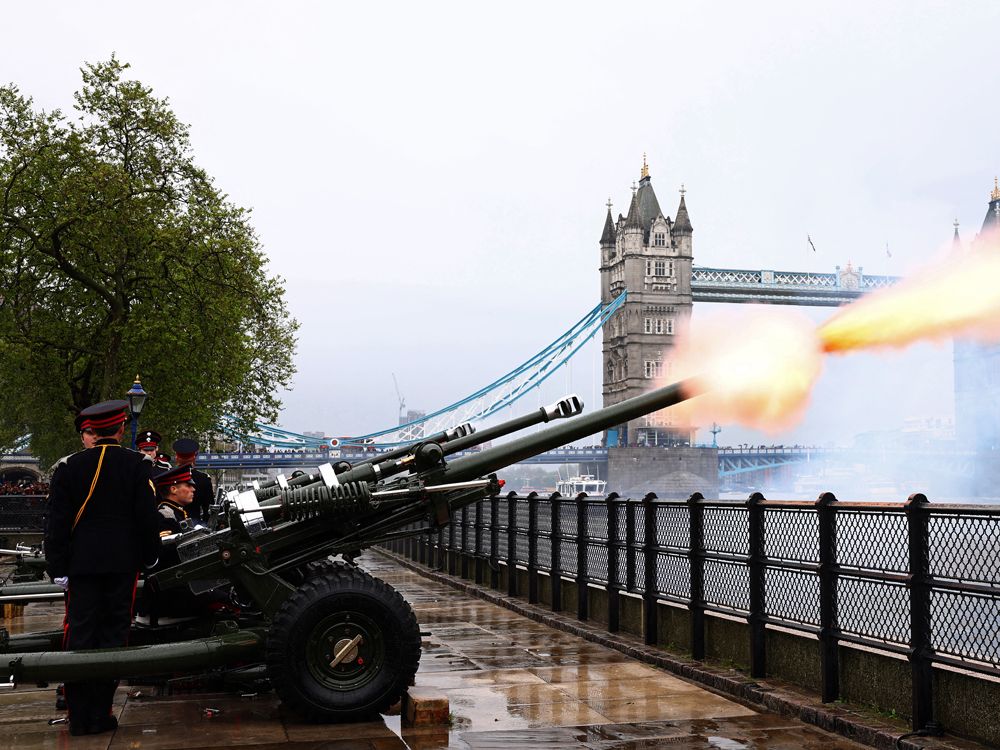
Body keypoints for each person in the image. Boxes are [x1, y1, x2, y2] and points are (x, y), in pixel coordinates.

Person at [44, 400, 160, 736]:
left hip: (81, 565)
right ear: (122, 428)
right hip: (123, 564)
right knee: (114, 634)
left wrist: (58, 567)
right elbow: (146, 517)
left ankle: (79, 716)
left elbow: (57, 523)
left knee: (79, 635)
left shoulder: (68, 467)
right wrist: (150, 556)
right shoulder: (137, 464)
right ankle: (102, 711)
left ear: (91, 431)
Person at [172, 439, 213, 522]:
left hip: (172, 524)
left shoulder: (168, 477)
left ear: (176, 457)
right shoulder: (203, 478)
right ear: (194, 457)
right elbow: (208, 509)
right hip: (195, 525)